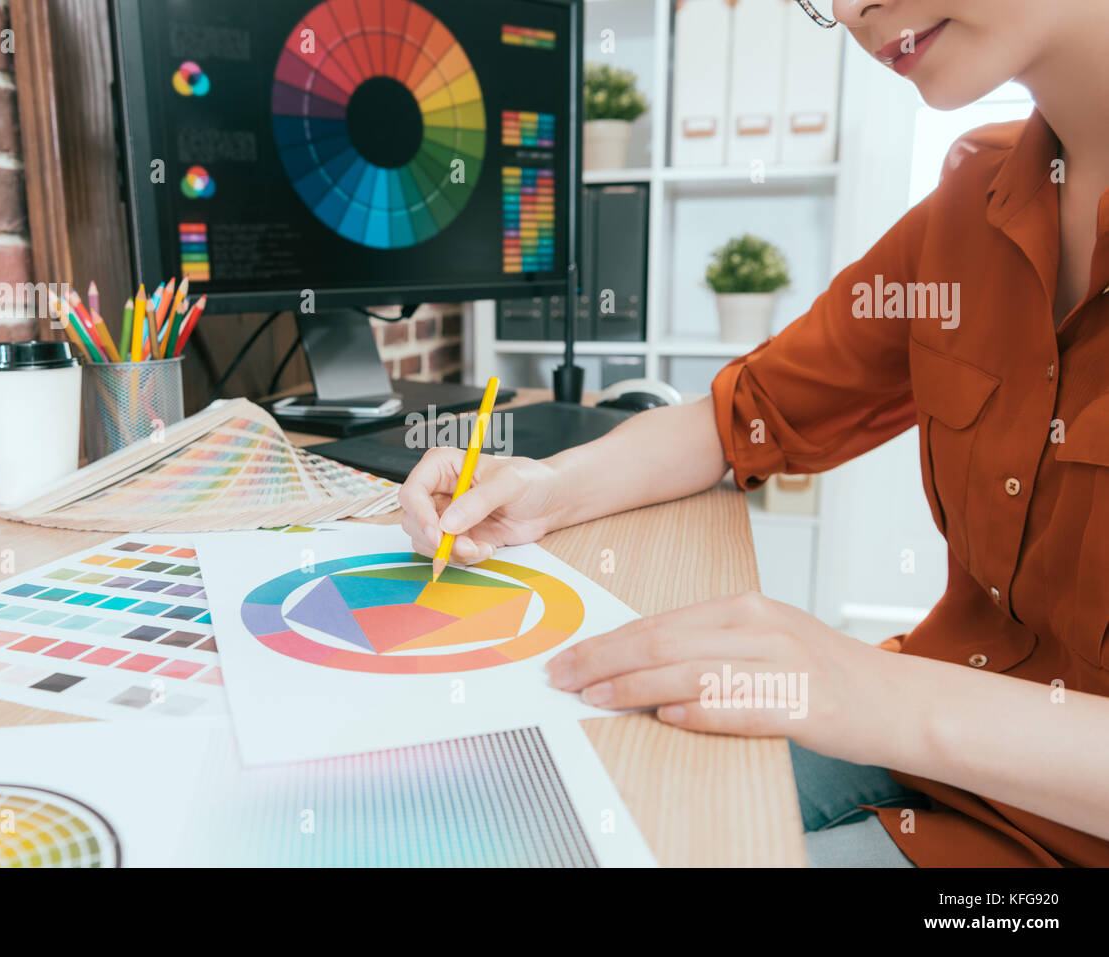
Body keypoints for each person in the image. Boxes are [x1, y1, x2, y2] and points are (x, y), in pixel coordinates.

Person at [399, 0, 1109, 867]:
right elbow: (741, 417)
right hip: (928, 747)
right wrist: (548, 489)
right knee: (536, 809)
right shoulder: (977, 196)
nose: (850, 10)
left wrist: (875, 687)